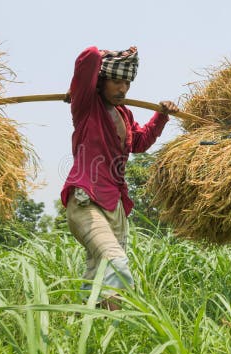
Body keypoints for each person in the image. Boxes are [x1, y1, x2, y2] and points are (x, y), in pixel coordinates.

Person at [61, 45, 178, 310]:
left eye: (126, 82)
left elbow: (139, 142)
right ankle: (112, 323)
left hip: (114, 206)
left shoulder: (125, 114)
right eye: (116, 81)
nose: (123, 89)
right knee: (116, 262)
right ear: (100, 82)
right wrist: (105, 58)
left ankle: (96, 330)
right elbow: (88, 58)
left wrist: (162, 116)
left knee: (99, 274)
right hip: (86, 201)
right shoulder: (86, 105)